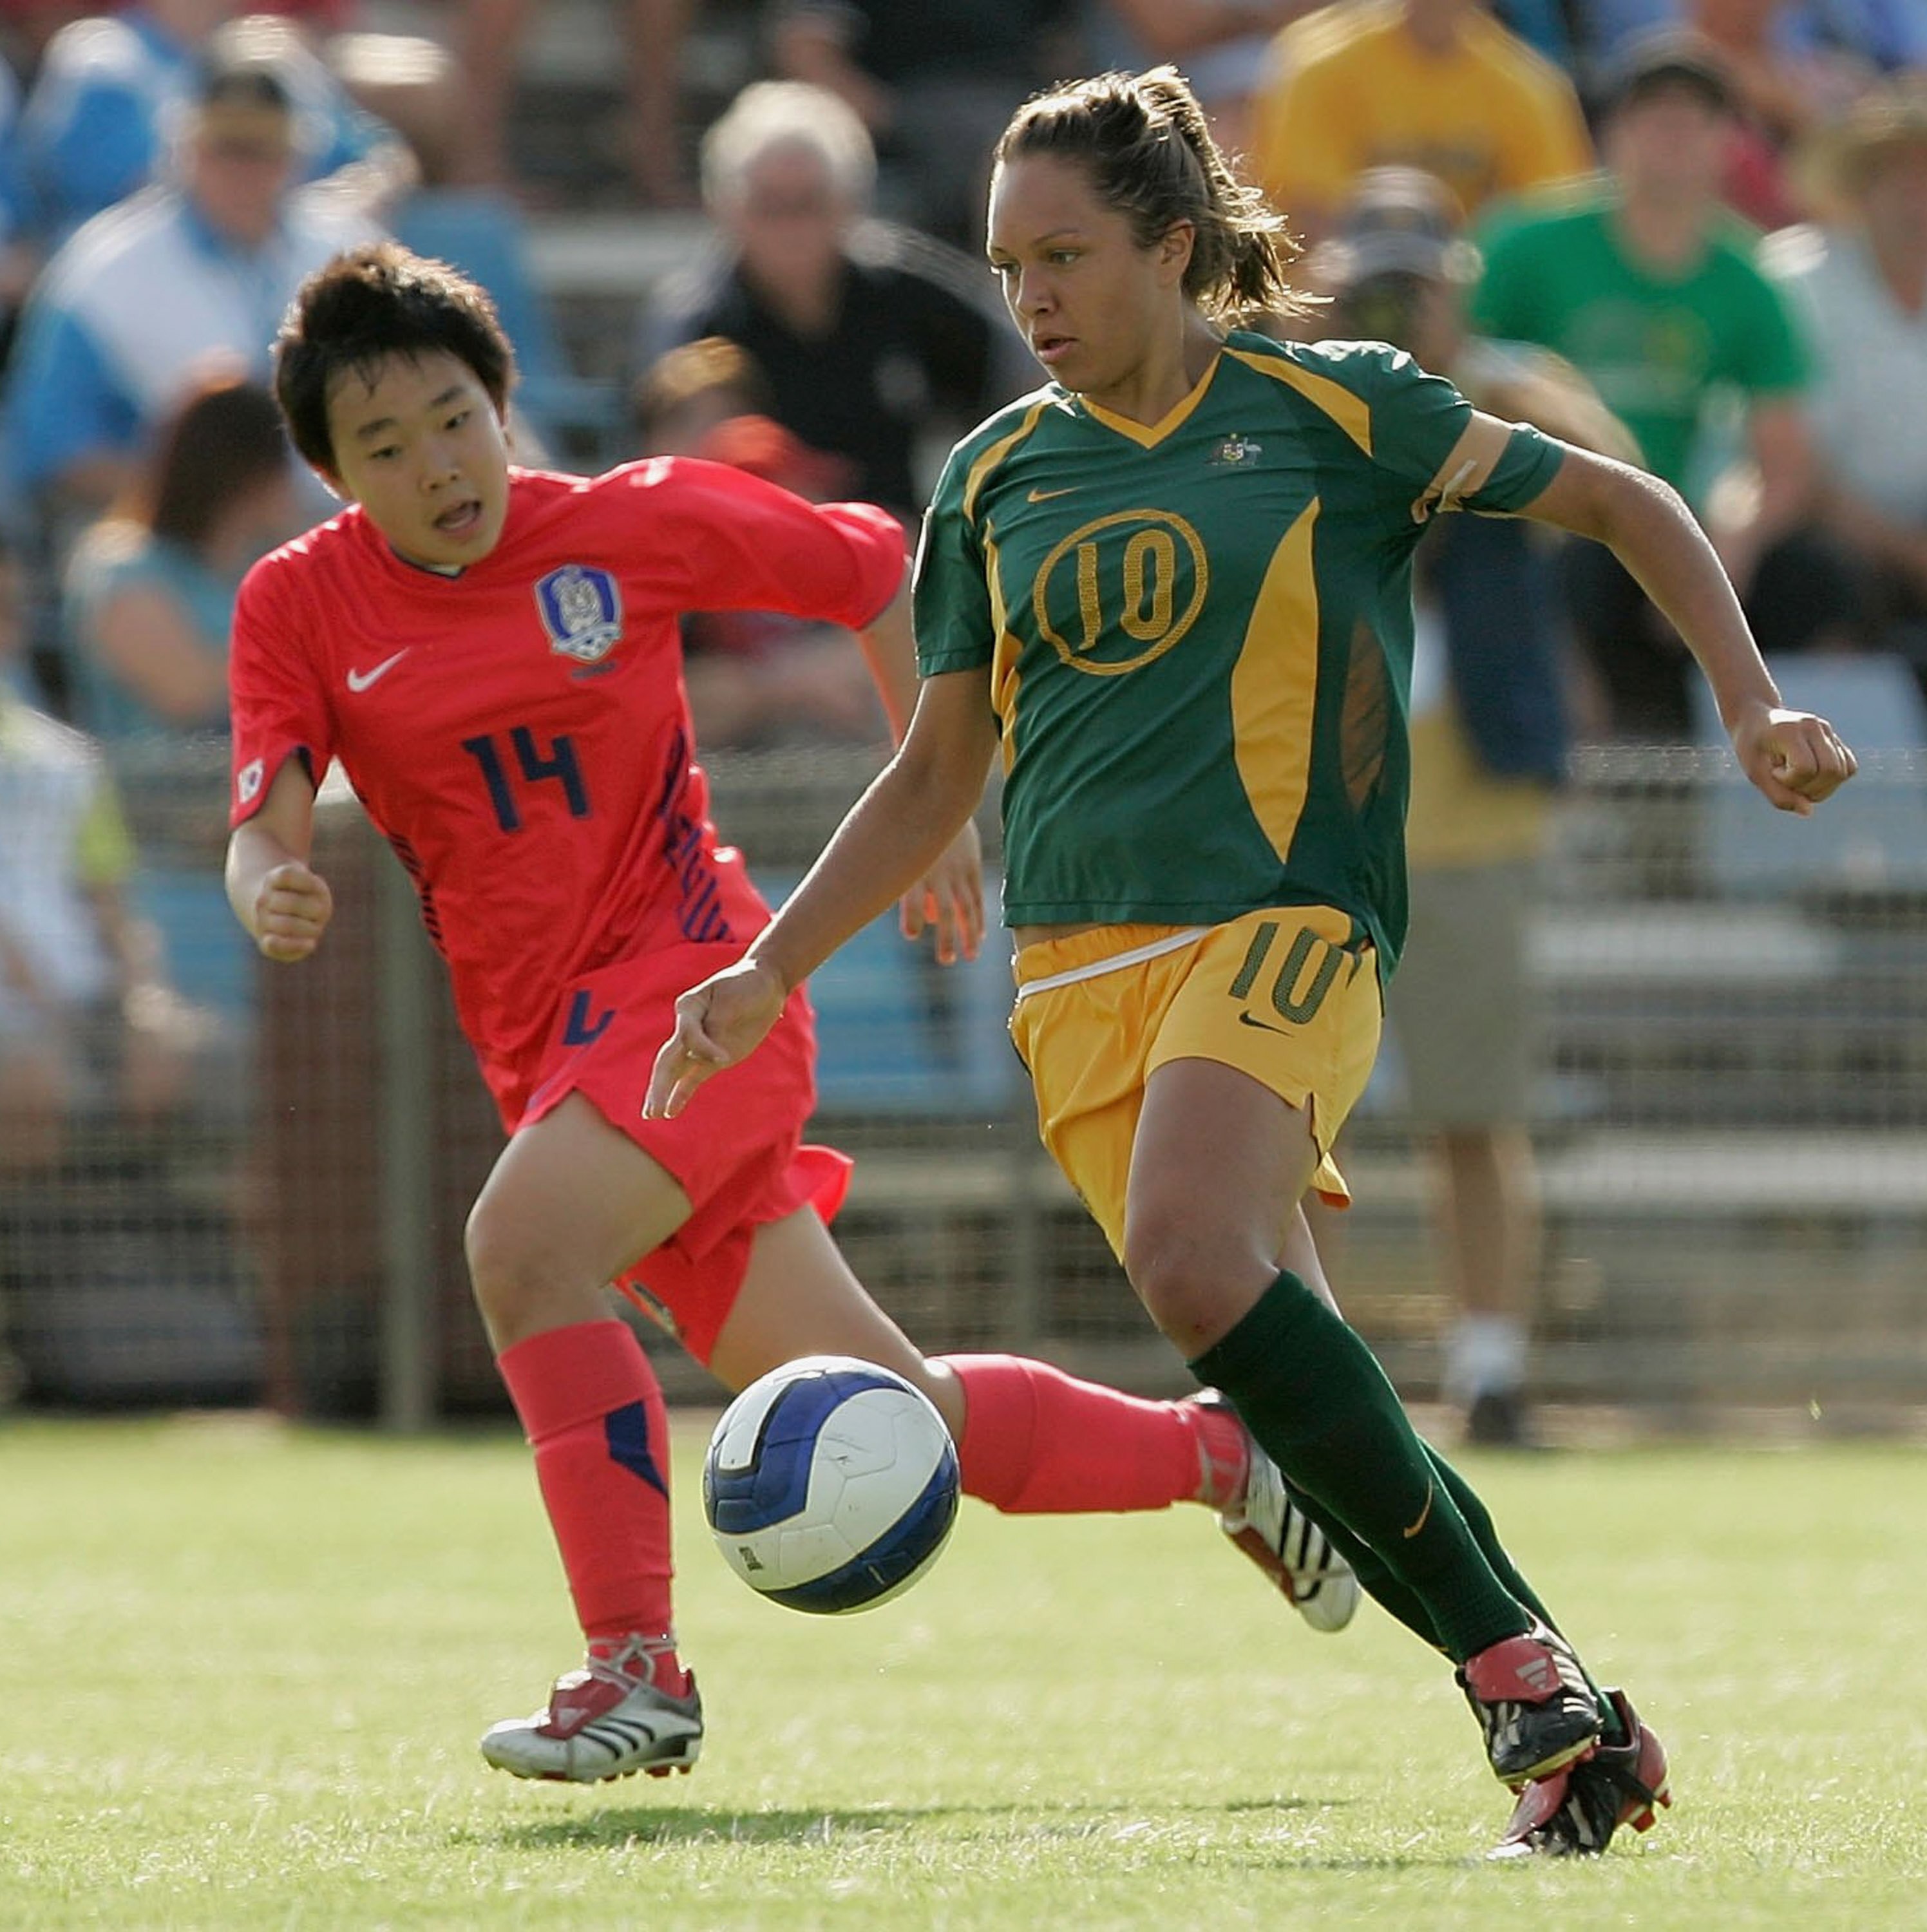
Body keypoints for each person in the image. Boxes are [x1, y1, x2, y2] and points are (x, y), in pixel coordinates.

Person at [647, 66, 1856, 1856]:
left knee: (1196, 1259)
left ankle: (1524, 1685)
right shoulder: (992, 477)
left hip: (1287, 920)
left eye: (1067, 254)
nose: (1034, 296)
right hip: (1073, 978)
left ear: (1178, 243)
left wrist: (1750, 701)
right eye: (1006, 265)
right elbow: (936, 770)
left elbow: (1628, 505)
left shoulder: (1332, 404)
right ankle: (1567, 1715)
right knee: (1300, 1387)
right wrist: (773, 965)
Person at [222, 239, 1363, 1791]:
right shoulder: (297, 599)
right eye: (385, 444)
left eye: (452, 417)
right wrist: (268, 877)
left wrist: (934, 790)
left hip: (700, 991)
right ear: (334, 474)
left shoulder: (621, 526)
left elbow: (872, 564)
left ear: (504, 405)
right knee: (913, 1417)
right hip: (552, 1056)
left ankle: (636, 1670)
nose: (435, 463)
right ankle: (1230, 1459)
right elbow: (265, 800)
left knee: (519, 1246)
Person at [1309, 169, 1641, 1446]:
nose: (1392, 307)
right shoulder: (1305, 396)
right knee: (1276, 1126)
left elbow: (1616, 484)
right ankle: (1302, 1370)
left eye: (1413, 284)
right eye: (1371, 285)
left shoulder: (1502, 392)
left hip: (1465, 815)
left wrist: (1468, 372)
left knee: (1471, 1110)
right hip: (1316, 821)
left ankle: (1489, 1364)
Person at [1470, 32, 1848, 737]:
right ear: (1614, 131)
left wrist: (1733, 539)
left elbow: (1783, 452)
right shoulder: (1524, 244)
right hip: (1547, 509)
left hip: (1679, 515)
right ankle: (1578, 763)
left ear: (1726, 140)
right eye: (1652, 115)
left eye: (1694, 118)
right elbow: (1458, 372)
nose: (1672, 136)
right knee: (1573, 572)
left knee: (1817, 580)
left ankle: (1797, 777)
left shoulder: (1746, 277)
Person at [1, 25, 383, 529]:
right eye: (223, 147)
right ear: (184, 147)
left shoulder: (351, 250)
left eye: (261, 149)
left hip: (339, 526)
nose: (240, 169)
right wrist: (211, 507)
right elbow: (55, 449)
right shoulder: (104, 268)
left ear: (298, 157)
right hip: (172, 540)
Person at [644, 79, 1029, 526]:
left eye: (809, 203)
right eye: (769, 205)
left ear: (851, 202)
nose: (790, 226)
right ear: (724, 208)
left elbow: (1015, 377)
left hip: (899, 559)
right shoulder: (698, 324)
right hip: (751, 561)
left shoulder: (907, 293)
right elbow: (669, 474)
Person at [1763, 79, 1927, 686]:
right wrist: (1911, 557)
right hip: (1822, 539)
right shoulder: (1795, 281)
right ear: (1862, 189)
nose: (1918, 196)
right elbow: (1794, 470)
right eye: (1900, 175)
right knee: (1820, 578)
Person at [63, 371, 300, 741]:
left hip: (262, 786)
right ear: (248, 474)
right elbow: (189, 696)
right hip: (159, 795)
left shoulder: (255, 566)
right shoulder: (123, 570)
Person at [1249, 0, 1594, 247]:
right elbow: (1306, 211)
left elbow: (1546, 219)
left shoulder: (1531, 86)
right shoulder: (1318, 64)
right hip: (1339, 284)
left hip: (1466, 294)